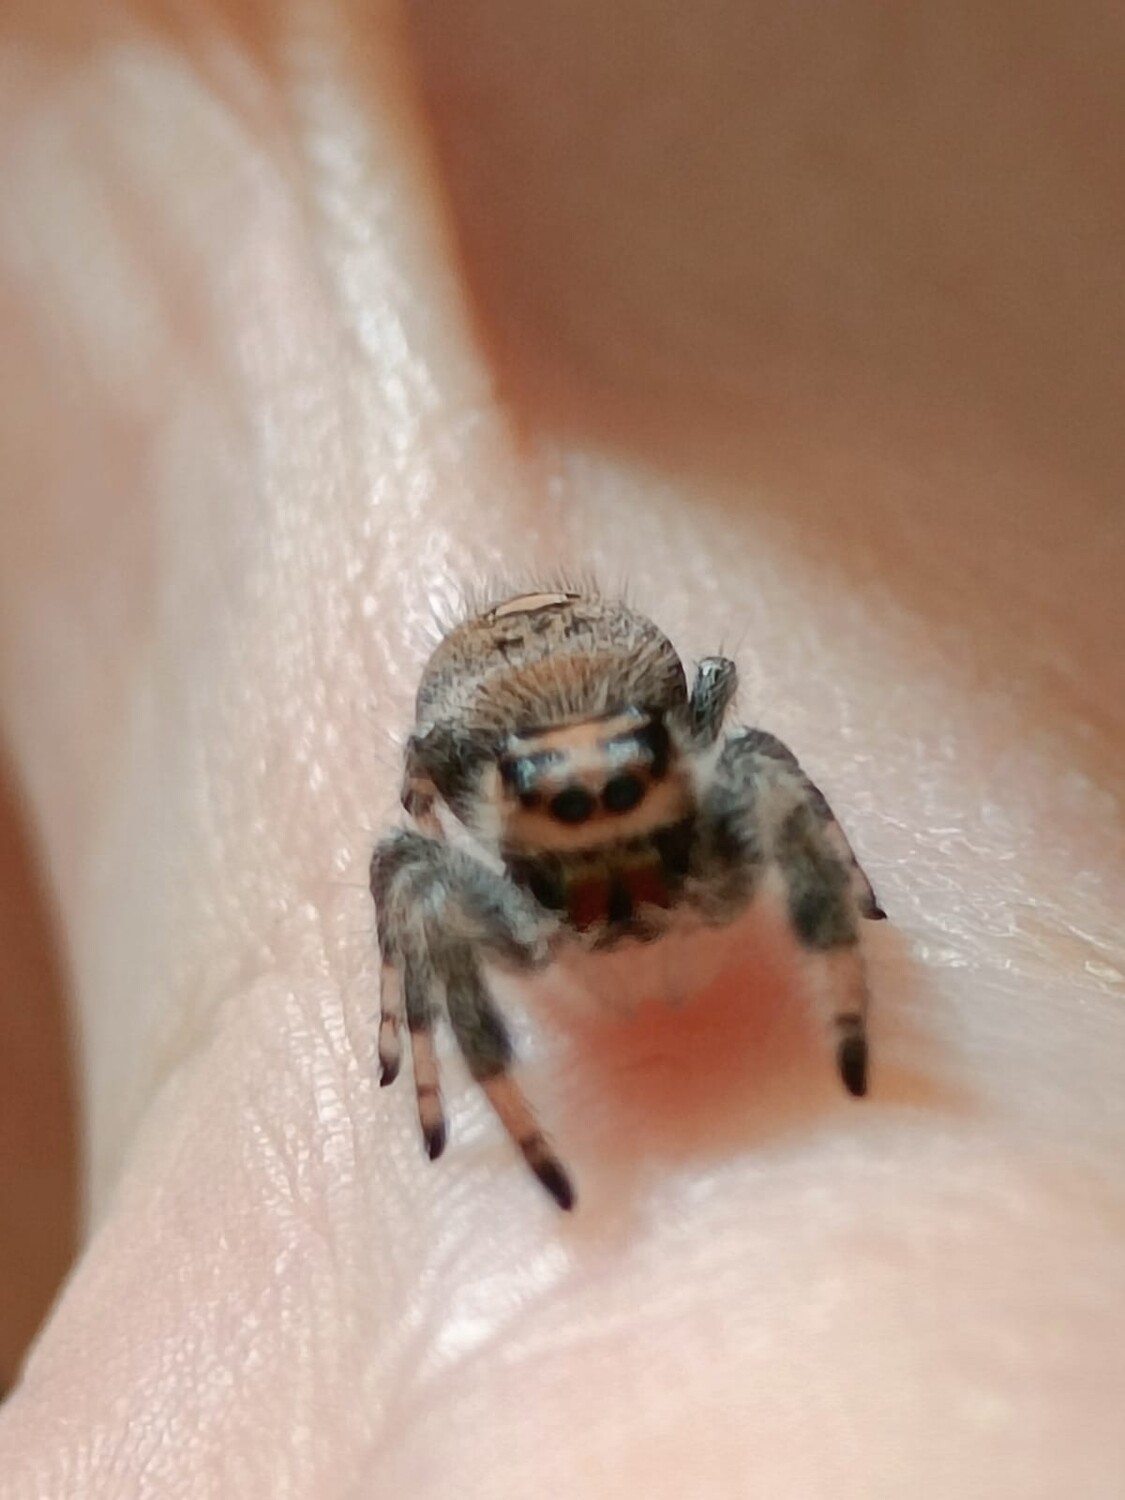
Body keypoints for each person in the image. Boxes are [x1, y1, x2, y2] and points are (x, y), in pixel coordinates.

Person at [0, 3, 1122, 1494]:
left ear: (673, 747)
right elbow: (414, 881)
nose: (609, 846)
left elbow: (774, 784)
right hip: (495, 710)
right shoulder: (460, 856)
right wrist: (448, 1080)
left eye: (628, 795)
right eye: (563, 817)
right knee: (406, 889)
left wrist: (855, 966)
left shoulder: (713, 778)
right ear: (481, 810)